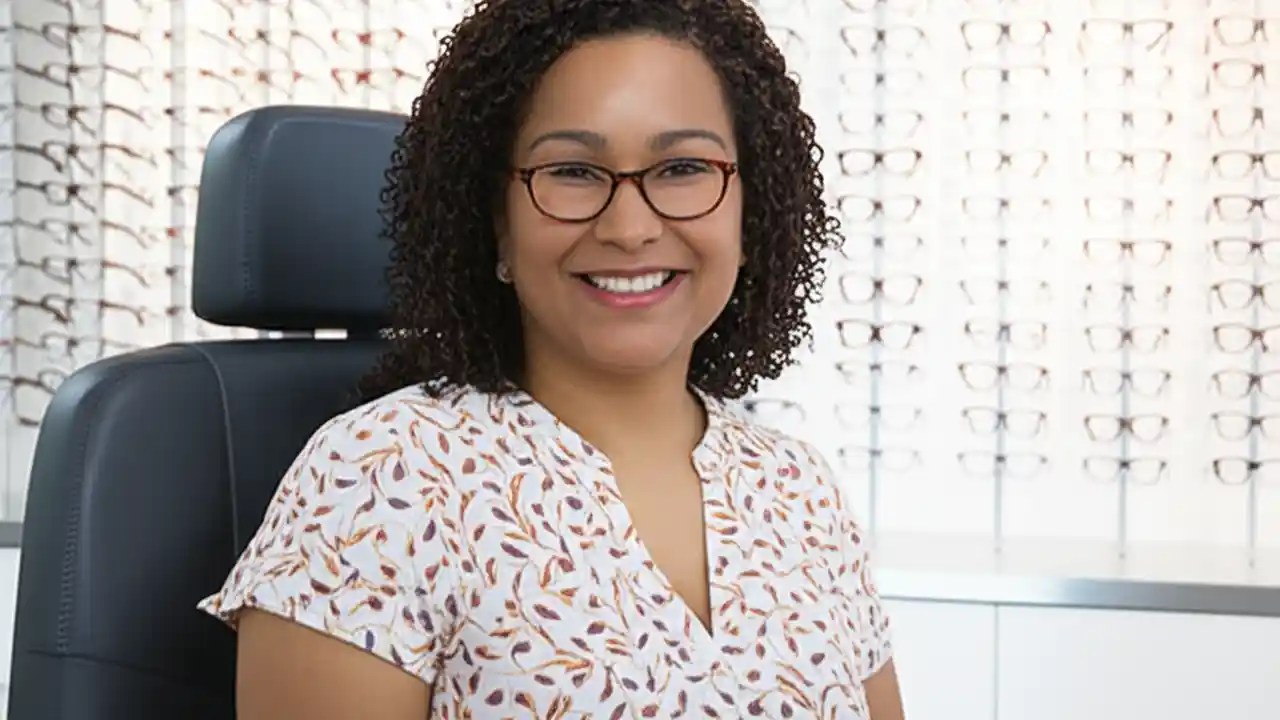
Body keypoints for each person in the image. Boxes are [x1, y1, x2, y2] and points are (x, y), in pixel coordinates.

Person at [198, 0, 904, 717]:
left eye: (683, 167)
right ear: (497, 223)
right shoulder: (381, 480)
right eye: (572, 171)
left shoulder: (800, 491)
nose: (630, 228)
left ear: (750, 213)